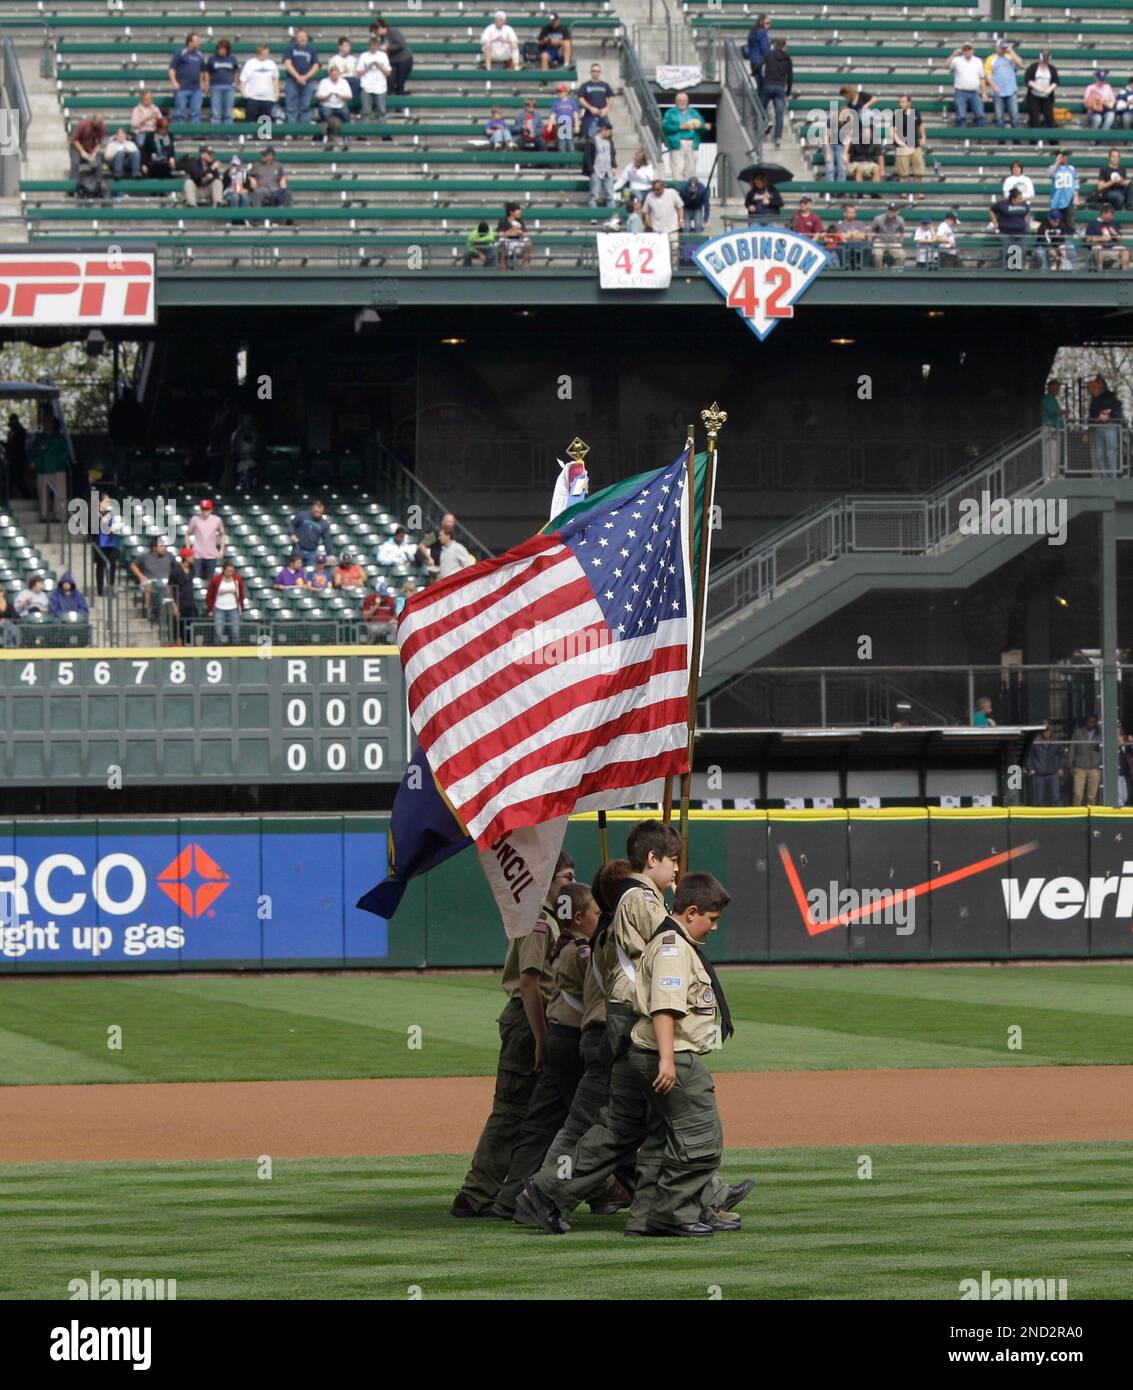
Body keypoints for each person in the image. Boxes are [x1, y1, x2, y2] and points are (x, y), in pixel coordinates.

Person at [517, 825, 751, 1237]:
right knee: (640, 1124)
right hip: (635, 1022)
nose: (677, 867)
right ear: (652, 860)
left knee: (627, 1126)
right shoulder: (642, 899)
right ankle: (689, 1203)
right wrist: (687, 905)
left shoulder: (635, 898)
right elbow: (673, 936)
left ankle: (678, 1204)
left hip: (626, 1020)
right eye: (672, 859)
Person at [450, 850, 574, 1218]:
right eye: (565, 877)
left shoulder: (548, 919)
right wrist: (540, 1037)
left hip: (532, 1018)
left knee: (541, 1111)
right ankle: (476, 1193)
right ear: (547, 880)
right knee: (513, 1110)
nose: (570, 883)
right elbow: (530, 982)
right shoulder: (539, 919)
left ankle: (514, 1190)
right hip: (528, 1019)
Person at [623, 872, 737, 1237]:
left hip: (659, 1051)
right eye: (712, 919)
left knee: (661, 1139)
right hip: (673, 1054)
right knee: (701, 1139)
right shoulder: (673, 947)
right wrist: (668, 1060)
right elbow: (665, 1007)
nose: (714, 928)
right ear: (691, 912)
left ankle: (644, 1217)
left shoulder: (675, 941)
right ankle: (674, 1213)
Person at [489, 880, 602, 1220]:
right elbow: (532, 983)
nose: (600, 916)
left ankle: (512, 1196)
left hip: (556, 1036)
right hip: (566, 1037)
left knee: (543, 1122)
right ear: (579, 916)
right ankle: (598, 1190)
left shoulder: (563, 940)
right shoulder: (576, 947)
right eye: (596, 912)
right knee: (594, 1123)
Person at [29, 412, 68, 524]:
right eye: (46, 422)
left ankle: (59, 514)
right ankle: (44, 515)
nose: (47, 424)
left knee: (60, 493)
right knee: (42, 492)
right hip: (43, 467)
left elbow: (65, 453)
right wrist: (33, 461)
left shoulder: (60, 437)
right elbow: (33, 451)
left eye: (50, 422)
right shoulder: (39, 437)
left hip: (58, 468)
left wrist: (59, 461)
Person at [662, 92, 705, 183]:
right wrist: (680, 127)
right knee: (678, 168)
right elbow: (665, 127)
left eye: (684, 100)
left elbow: (702, 125)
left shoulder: (694, 112)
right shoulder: (671, 112)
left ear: (688, 101)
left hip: (692, 142)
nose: (682, 102)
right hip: (677, 142)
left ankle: (688, 191)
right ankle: (679, 190)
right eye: (679, 100)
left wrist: (702, 126)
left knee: (691, 169)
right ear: (675, 101)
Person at [130, 536, 176, 619]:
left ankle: (174, 613)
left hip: (165, 582)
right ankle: (148, 609)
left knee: (168, 587)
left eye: (164, 546)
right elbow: (133, 565)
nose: (164, 548)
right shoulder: (145, 556)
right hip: (150, 581)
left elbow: (177, 568)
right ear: (154, 548)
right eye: (161, 546)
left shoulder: (169, 556)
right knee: (148, 585)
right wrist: (141, 576)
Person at [1086, 375, 1123, 478]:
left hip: (1110, 427)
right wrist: (1087, 431)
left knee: (1111, 452)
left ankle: (1113, 477)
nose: (1098, 385)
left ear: (1103, 384)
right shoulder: (1094, 399)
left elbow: (1116, 407)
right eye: (1096, 383)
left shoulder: (1110, 395)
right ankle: (1105, 477)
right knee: (1099, 455)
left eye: (1099, 383)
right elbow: (1091, 416)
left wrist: (1106, 414)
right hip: (1098, 429)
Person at [283, 29, 321, 128]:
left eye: (304, 37)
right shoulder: (290, 49)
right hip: (292, 80)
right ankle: (291, 130)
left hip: (307, 81)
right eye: (300, 37)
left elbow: (316, 66)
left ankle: (304, 131)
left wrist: (305, 77)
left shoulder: (312, 50)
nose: (302, 39)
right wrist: (298, 77)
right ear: (296, 38)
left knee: (305, 106)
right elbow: (288, 64)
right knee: (291, 107)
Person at [644, 176, 684, 269]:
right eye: (654, 189)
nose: (656, 191)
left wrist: (681, 219)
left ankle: (675, 269)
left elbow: (680, 206)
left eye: (658, 189)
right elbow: (646, 211)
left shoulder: (672, 193)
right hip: (657, 230)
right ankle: (661, 268)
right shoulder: (650, 196)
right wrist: (647, 221)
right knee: (659, 251)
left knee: (674, 249)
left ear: (663, 187)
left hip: (672, 228)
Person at [169, 32, 207, 125]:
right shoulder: (180, 53)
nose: (199, 43)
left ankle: (195, 134)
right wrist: (174, 82)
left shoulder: (200, 55)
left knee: (196, 113)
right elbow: (172, 68)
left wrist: (202, 82)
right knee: (179, 112)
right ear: (190, 42)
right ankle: (179, 134)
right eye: (197, 41)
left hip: (196, 88)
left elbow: (202, 70)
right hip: (182, 87)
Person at [946, 42, 986, 128]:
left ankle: (980, 138)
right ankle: (962, 138)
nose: (967, 51)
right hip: (960, 92)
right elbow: (946, 66)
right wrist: (953, 55)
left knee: (980, 115)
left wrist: (984, 92)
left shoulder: (978, 61)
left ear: (973, 50)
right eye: (965, 49)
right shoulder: (957, 60)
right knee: (961, 116)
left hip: (975, 92)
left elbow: (982, 77)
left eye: (969, 49)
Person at [989, 187, 1032, 267]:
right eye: (1019, 198)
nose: (1021, 199)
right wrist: (995, 223)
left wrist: (1025, 222)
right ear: (1013, 199)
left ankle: (1019, 273)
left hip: (1021, 233)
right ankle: (1006, 273)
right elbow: (992, 210)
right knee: (1008, 253)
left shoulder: (1024, 204)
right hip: (1006, 233)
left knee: (1021, 253)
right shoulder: (1003, 204)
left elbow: (1028, 212)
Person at [761, 38, 792, 147]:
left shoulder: (769, 55)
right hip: (780, 87)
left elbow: (760, 65)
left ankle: (767, 120)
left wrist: (753, 72)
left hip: (768, 84)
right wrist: (788, 92)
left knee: (761, 106)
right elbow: (790, 77)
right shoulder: (787, 58)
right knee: (779, 114)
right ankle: (778, 138)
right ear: (784, 46)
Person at [239, 42, 280, 124]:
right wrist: (243, 92)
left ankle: (263, 135)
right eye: (265, 53)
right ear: (259, 53)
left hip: (268, 97)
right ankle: (250, 135)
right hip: (253, 97)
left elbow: (275, 79)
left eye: (267, 53)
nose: (266, 55)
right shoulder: (250, 63)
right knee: (251, 120)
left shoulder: (271, 64)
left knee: (265, 120)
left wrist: (277, 92)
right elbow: (243, 79)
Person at [1025, 723, 1065, 805]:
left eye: (1048, 730)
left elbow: (1063, 756)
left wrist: (1061, 768)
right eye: (1044, 730)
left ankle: (1058, 815)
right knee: (1040, 798)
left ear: (1051, 731)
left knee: (1055, 797)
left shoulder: (1056, 741)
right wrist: (1031, 768)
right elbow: (1028, 756)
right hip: (1039, 773)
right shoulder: (1035, 742)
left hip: (1053, 773)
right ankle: (1040, 817)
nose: (1046, 732)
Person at [186, 498, 225, 581]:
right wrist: (188, 549)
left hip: (212, 555)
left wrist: (221, 550)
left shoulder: (217, 520)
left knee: (210, 581)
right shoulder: (195, 519)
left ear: (211, 509)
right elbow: (187, 534)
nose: (205, 511)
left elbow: (222, 534)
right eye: (203, 509)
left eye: (207, 509)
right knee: (196, 579)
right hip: (197, 555)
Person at [988, 39, 1024, 128]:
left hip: (1011, 90)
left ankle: (1016, 139)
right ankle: (1001, 140)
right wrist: (994, 86)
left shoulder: (1010, 56)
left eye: (1003, 48)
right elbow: (988, 76)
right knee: (999, 117)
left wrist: (1011, 50)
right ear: (997, 47)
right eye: (1001, 47)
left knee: (1014, 117)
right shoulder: (991, 59)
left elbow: (1019, 63)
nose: (1002, 49)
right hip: (998, 92)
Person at [373, 18, 413, 97]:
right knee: (390, 82)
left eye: (376, 31)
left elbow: (401, 44)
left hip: (404, 60)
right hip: (394, 61)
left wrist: (388, 48)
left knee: (400, 83)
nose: (376, 34)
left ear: (380, 28)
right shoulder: (382, 38)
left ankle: (400, 105)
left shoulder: (393, 32)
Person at [206, 559, 244, 643]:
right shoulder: (216, 580)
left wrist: (241, 607)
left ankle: (236, 653)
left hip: (233, 608)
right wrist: (210, 609)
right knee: (218, 632)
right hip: (219, 608)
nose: (230, 573)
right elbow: (210, 595)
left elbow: (241, 594)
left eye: (232, 571)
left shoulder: (237, 579)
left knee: (235, 632)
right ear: (223, 570)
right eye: (228, 571)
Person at [1085, 204, 1130, 271]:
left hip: (1112, 247)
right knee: (1098, 249)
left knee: (1125, 251)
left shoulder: (1113, 223)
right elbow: (1088, 239)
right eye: (1110, 215)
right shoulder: (1093, 223)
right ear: (1103, 213)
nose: (1111, 217)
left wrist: (1114, 233)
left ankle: (1125, 273)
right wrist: (1101, 239)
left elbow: (1120, 239)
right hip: (1099, 247)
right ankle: (1100, 272)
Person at [1069, 714, 1102, 805]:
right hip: (1080, 767)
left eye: (1093, 722)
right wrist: (1070, 765)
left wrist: (1101, 764)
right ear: (1086, 721)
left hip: (1094, 767)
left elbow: (1104, 750)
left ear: (1096, 723)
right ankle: (1076, 814)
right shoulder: (1078, 733)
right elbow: (1072, 749)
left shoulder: (1100, 734)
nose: (1091, 724)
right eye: (1089, 721)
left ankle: (1091, 815)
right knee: (1077, 794)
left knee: (1092, 795)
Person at [576, 63, 614, 142]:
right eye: (594, 71)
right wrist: (590, 108)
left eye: (598, 71)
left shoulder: (605, 85)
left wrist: (606, 109)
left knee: (607, 137)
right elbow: (581, 99)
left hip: (602, 115)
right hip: (589, 115)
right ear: (591, 72)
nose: (597, 73)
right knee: (588, 138)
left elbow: (611, 98)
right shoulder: (585, 85)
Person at [316, 63, 354, 141]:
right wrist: (328, 96)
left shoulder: (344, 82)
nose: (334, 75)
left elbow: (349, 96)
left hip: (340, 105)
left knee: (346, 113)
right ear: (330, 74)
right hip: (327, 105)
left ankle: (347, 135)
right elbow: (319, 97)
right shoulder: (324, 82)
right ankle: (328, 135)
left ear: (339, 74)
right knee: (326, 114)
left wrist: (340, 96)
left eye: (336, 74)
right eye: (332, 74)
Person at [893, 93, 926, 180]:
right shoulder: (897, 115)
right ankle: (903, 192)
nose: (901, 104)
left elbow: (921, 125)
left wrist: (923, 136)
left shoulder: (916, 112)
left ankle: (919, 192)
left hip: (915, 145)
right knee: (903, 172)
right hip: (902, 147)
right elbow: (893, 131)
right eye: (900, 102)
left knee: (919, 171)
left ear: (909, 103)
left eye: (903, 102)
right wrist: (899, 142)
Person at [357, 35, 391, 120]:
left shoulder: (383, 56)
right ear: (369, 45)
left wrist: (379, 66)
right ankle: (365, 132)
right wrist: (368, 67)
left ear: (378, 46)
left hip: (380, 87)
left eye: (375, 45)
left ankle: (383, 132)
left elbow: (388, 73)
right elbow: (358, 73)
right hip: (366, 87)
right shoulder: (363, 56)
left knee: (382, 112)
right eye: (372, 45)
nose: (373, 47)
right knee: (366, 112)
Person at [93, 494, 121, 595]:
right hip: (100, 544)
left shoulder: (112, 514)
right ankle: (100, 591)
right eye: (106, 501)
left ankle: (110, 589)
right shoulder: (94, 514)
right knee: (100, 567)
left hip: (111, 544)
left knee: (112, 567)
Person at [289, 498, 331, 565]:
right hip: (298, 548)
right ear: (312, 509)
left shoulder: (324, 524)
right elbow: (292, 524)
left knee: (310, 572)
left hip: (312, 552)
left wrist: (329, 553)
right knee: (296, 570)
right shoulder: (302, 515)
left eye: (320, 512)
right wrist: (292, 534)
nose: (318, 514)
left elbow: (326, 540)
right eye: (316, 511)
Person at [169, 547, 197, 645]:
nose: (193, 557)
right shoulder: (176, 571)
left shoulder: (193, 569)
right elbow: (168, 588)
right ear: (186, 557)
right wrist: (174, 606)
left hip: (190, 603)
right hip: (180, 603)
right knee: (179, 629)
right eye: (191, 556)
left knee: (191, 629)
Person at [181, 142, 224, 207]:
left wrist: (211, 176)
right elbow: (196, 175)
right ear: (202, 154)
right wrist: (210, 169)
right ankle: (192, 205)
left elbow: (216, 177)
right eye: (209, 154)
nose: (211, 156)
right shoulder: (194, 162)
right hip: (196, 190)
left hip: (208, 190)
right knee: (188, 182)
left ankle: (218, 204)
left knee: (217, 182)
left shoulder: (213, 164)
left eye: (212, 154)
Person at [206, 39, 238, 124]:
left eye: (224, 49)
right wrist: (207, 85)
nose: (222, 51)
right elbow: (207, 73)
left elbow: (235, 71)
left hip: (229, 87)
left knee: (228, 112)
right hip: (215, 87)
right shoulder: (212, 58)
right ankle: (215, 134)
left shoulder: (232, 58)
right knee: (216, 112)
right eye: (220, 49)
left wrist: (234, 83)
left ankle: (228, 134)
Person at [1047, 150, 1079, 232]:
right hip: (1056, 199)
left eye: (1065, 156)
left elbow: (1076, 183)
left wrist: (1076, 196)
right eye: (1061, 156)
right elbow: (1049, 174)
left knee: (1070, 222)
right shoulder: (1053, 168)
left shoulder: (1071, 169)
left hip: (1069, 199)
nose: (1063, 158)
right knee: (1056, 222)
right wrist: (1057, 162)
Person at [1040, 378, 1066, 478]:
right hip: (1049, 428)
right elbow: (1054, 411)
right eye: (1056, 387)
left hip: (1055, 428)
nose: (1058, 390)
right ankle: (1049, 477)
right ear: (1050, 388)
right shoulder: (1048, 398)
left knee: (1054, 453)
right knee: (1050, 453)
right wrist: (1065, 411)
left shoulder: (1053, 399)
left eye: (1058, 388)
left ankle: (1053, 475)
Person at [69, 112, 107, 179]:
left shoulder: (102, 127)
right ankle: (72, 184)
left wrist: (94, 153)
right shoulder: (82, 124)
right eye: (97, 122)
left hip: (91, 148)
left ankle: (97, 184)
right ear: (93, 120)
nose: (98, 125)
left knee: (98, 164)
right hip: (77, 148)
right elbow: (74, 140)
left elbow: (100, 142)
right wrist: (82, 152)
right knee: (75, 163)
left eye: (100, 123)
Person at [587, 120, 615, 207]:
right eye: (609, 131)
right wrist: (591, 170)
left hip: (608, 171)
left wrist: (614, 166)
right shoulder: (592, 140)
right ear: (603, 129)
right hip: (596, 170)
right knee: (594, 196)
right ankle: (593, 218)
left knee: (610, 196)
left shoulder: (609, 141)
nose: (610, 133)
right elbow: (587, 157)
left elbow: (612, 154)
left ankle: (612, 218)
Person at [496, 201, 532, 270]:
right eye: (517, 210)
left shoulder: (520, 221)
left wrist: (520, 232)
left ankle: (525, 263)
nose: (519, 212)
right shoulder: (503, 221)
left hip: (517, 240)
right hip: (506, 240)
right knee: (502, 244)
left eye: (519, 210)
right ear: (511, 212)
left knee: (528, 243)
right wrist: (511, 230)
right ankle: (503, 263)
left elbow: (525, 233)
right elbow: (500, 234)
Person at [871, 203, 907, 268]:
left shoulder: (900, 220)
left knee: (902, 255)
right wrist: (872, 241)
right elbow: (872, 230)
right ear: (887, 210)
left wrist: (900, 241)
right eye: (890, 210)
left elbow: (902, 232)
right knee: (877, 255)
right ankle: (879, 273)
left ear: (897, 212)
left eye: (893, 211)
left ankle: (895, 273)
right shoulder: (878, 218)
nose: (891, 212)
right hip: (880, 241)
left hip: (893, 241)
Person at [837, 203, 871, 268]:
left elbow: (862, 236)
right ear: (845, 213)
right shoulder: (840, 224)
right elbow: (842, 237)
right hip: (846, 245)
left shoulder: (860, 223)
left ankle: (864, 270)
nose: (851, 214)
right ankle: (846, 269)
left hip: (859, 244)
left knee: (867, 246)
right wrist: (855, 233)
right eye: (849, 212)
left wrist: (849, 235)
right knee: (842, 247)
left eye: (853, 212)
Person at [745, 14, 771, 95]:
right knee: (763, 86)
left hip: (753, 60)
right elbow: (765, 48)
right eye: (767, 23)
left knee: (759, 84)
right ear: (761, 22)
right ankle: (761, 105)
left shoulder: (752, 32)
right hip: (760, 61)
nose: (769, 26)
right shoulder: (762, 32)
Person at [550, 83, 580, 152]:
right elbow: (553, 115)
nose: (559, 93)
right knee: (561, 144)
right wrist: (550, 125)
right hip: (560, 125)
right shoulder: (556, 103)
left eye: (561, 91)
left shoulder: (572, 102)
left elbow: (575, 114)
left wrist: (577, 125)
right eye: (558, 91)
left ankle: (572, 161)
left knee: (570, 143)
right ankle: (562, 161)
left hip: (569, 125)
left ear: (566, 92)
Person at [130, 92, 159, 160]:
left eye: (150, 99)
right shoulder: (137, 109)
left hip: (153, 132)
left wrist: (156, 123)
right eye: (146, 99)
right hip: (142, 132)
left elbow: (161, 123)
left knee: (160, 143)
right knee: (142, 144)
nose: (148, 101)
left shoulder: (155, 109)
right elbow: (134, 124)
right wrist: (145, 118)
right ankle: (144, 162)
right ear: (142, 99)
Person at [6, 412, 28, 498]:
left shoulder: (20, 431)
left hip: (18, 459)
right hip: (13, 459)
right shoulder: (12, 432)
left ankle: (27, 496)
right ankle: (9, 496)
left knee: (18, 479)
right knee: (13, 479)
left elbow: (15, 445)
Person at [333, 36, 360, 101]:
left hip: (353, 80)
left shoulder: (353, 59)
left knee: (358, 82)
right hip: (340, 80)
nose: (348, 48)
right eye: (346, 46)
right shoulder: (334, 59)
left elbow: (357, 72)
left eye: (349, 46)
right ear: (340, 47)